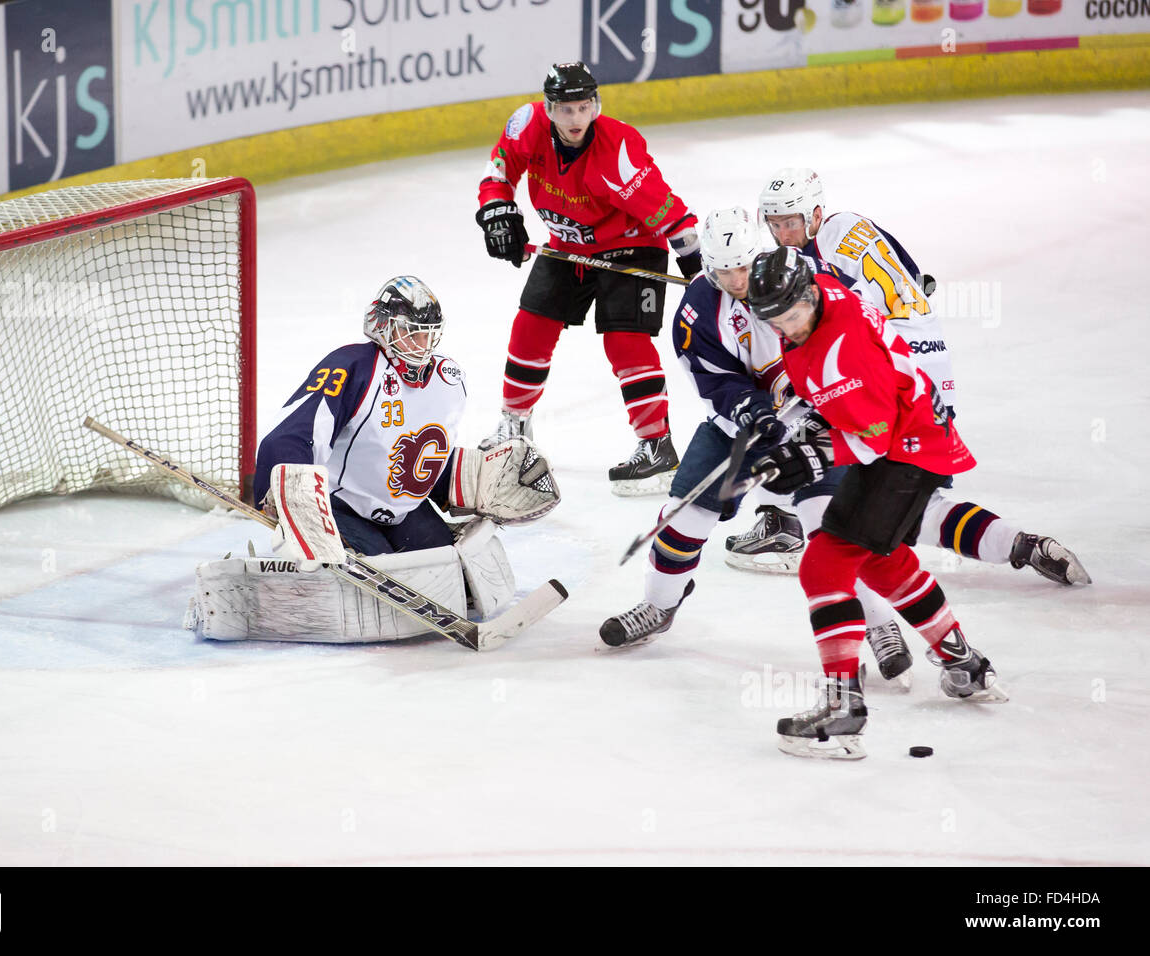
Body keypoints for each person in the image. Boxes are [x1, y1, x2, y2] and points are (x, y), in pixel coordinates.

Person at [598, 207, 904, 683]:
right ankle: (658, 606)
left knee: (834, 528)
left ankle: (883, 627)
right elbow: (712, 380)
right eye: (724, 271)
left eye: (742, 266)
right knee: (686, 511)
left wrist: (826, 392)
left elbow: (853, 331)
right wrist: (749, 409)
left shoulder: (801, 276)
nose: (736, 279)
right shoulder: (699, 308)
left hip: (820, 418)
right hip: (739, 428)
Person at [742, 168, 1089, 588]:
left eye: (791, 223)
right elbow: (914, 274)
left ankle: (784, 524)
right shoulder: (851, 225)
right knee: (916, 497)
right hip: (928, 364)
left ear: (815, 214)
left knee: (799, 435)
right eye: (774, 224)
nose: (782, 233)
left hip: (887, 370)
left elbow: (841, 310)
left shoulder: (818, 262)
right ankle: (1024, 546)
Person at [192, 277, 560, 643]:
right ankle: (268, 593)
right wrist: (289, 489)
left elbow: (425, 454)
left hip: (402, 508)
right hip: (339, 504)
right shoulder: (353, 365)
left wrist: (471, 481)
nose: (421, 344)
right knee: (383, 576)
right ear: (382, 326)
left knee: (449, 571)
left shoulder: (449, 380)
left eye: (427, 334)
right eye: (410, 332)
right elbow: (296, 432)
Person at [746, 247, 1005, 760]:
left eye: (792, 315)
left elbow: (875, 435)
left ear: (810, 295)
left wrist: (811, 458)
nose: (786, 328)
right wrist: (805, 423)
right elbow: (842, 398)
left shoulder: (841, 350)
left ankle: (845, 711)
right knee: (883, 561)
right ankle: (964, 665)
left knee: (822, 567)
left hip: (904, 449)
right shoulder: (823, 295)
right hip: (914, 435)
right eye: (773, 319)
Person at [474, 61, 702, 496]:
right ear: (549, 109)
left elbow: (670, 214)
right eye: (566, 110)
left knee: (625, 339)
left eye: (584, 108)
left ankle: (656, 445)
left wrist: (698, 274)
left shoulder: (618, 152)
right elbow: (499, 172)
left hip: (634, 243)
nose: (576, 119)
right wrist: (496, 210)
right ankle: (516, 424)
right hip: (567, 242)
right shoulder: (526, 126)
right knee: (531, 325)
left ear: (595, 105)